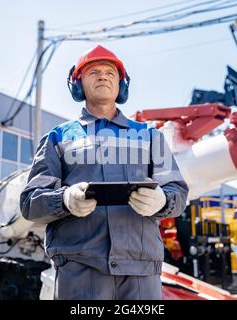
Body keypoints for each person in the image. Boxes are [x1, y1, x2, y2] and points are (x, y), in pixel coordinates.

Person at [20, 44, 188, 300]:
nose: (102, 76)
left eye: (110, 72)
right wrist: (64, 200)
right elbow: (30, 202)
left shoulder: (150, 136)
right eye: (93, 72)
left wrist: (162, 201)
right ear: (78, 85)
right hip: (79, 269)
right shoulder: (57, 138)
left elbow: (177, 192)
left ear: (122, 84)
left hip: (140, 272)